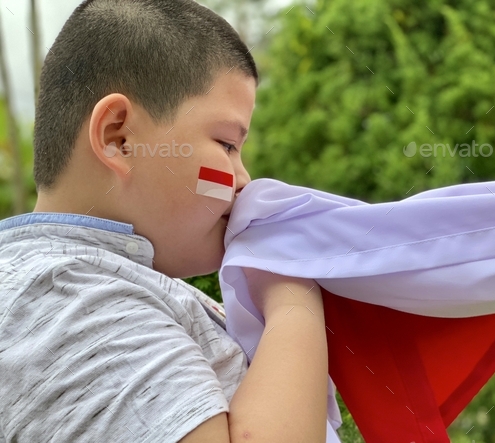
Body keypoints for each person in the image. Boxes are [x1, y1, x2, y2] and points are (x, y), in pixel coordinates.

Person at [0, 1, 330, 442]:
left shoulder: (94, 287)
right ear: (119, 138)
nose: (243, 179)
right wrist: (293, 293)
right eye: (228, 144)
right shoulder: (65, 298)